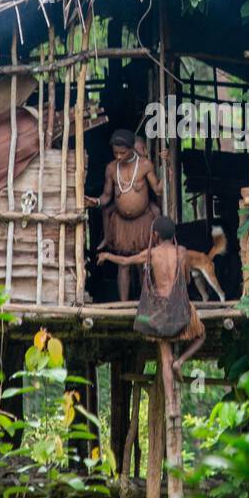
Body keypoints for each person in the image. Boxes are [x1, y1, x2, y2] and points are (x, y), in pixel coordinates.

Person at [97, 215, 205, 375]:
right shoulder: (181, 252)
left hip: (158, 313)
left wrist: (107, 256)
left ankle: (169, 401)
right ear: (173, 234)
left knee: (164, 357)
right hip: (179, 309)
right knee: (201, 335)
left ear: (155, 235)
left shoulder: (151, 253)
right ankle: (180, 361)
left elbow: (125, 261)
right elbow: (187, 280)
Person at [87, 129, 161, 301]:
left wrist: (166, 175)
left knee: (144, 263)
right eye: (115, 153)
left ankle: (146, 302)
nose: (119, 157)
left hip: (143, 221)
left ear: (131, 149)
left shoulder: (144, 165)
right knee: (123, 264)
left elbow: (157, 189)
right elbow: (106, 197)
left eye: (122, 152)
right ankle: (124, 304)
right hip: (121, 223)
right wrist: (95, 202)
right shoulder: (111, 168)